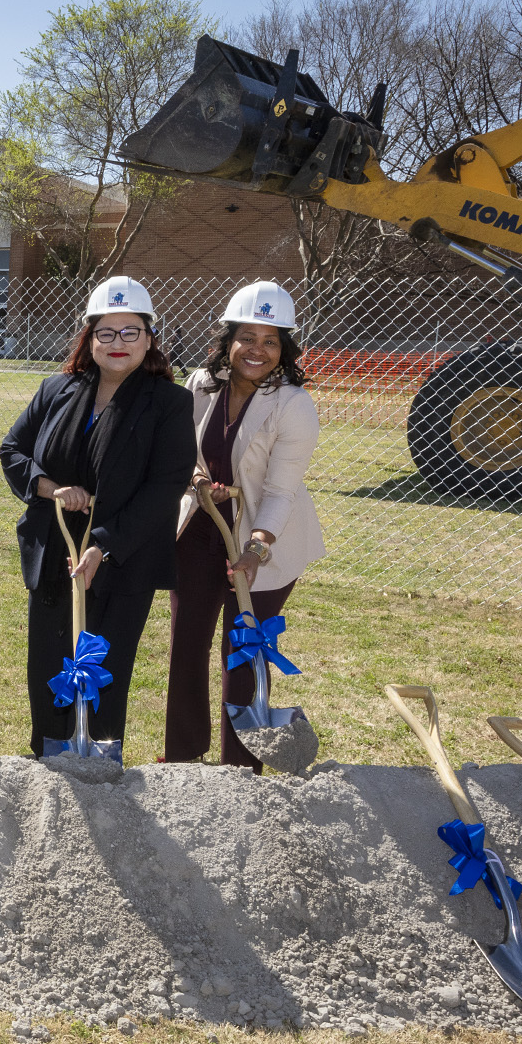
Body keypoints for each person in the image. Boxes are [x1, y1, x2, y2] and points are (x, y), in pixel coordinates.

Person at [0, 276, 196, 758]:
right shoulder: (57, 388)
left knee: (106, 660)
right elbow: (13, 450)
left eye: (131, 331)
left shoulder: (169, 402)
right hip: (56, 552)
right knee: (49, 658)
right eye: (105, 332)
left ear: (150, 337)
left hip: (123, 559)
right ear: (88, 337)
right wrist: (51, 489)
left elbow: (165, 485)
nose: (118, 343)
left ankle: (100, 756)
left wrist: (102, 544)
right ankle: (50, 753)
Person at [164, 281, 324, 770]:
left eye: (270, 341)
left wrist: (255, 551)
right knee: (187, 642)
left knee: (245, 648)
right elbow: (184, 445)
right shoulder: (200, 384)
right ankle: (184, 756)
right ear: (227, 339)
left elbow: (281, 491)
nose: (258, 350)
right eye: (247, 338)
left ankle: (242, 765)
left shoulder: (293, 404)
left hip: (263, 538)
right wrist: (193, 472)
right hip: (200, 529)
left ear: (284, 349)